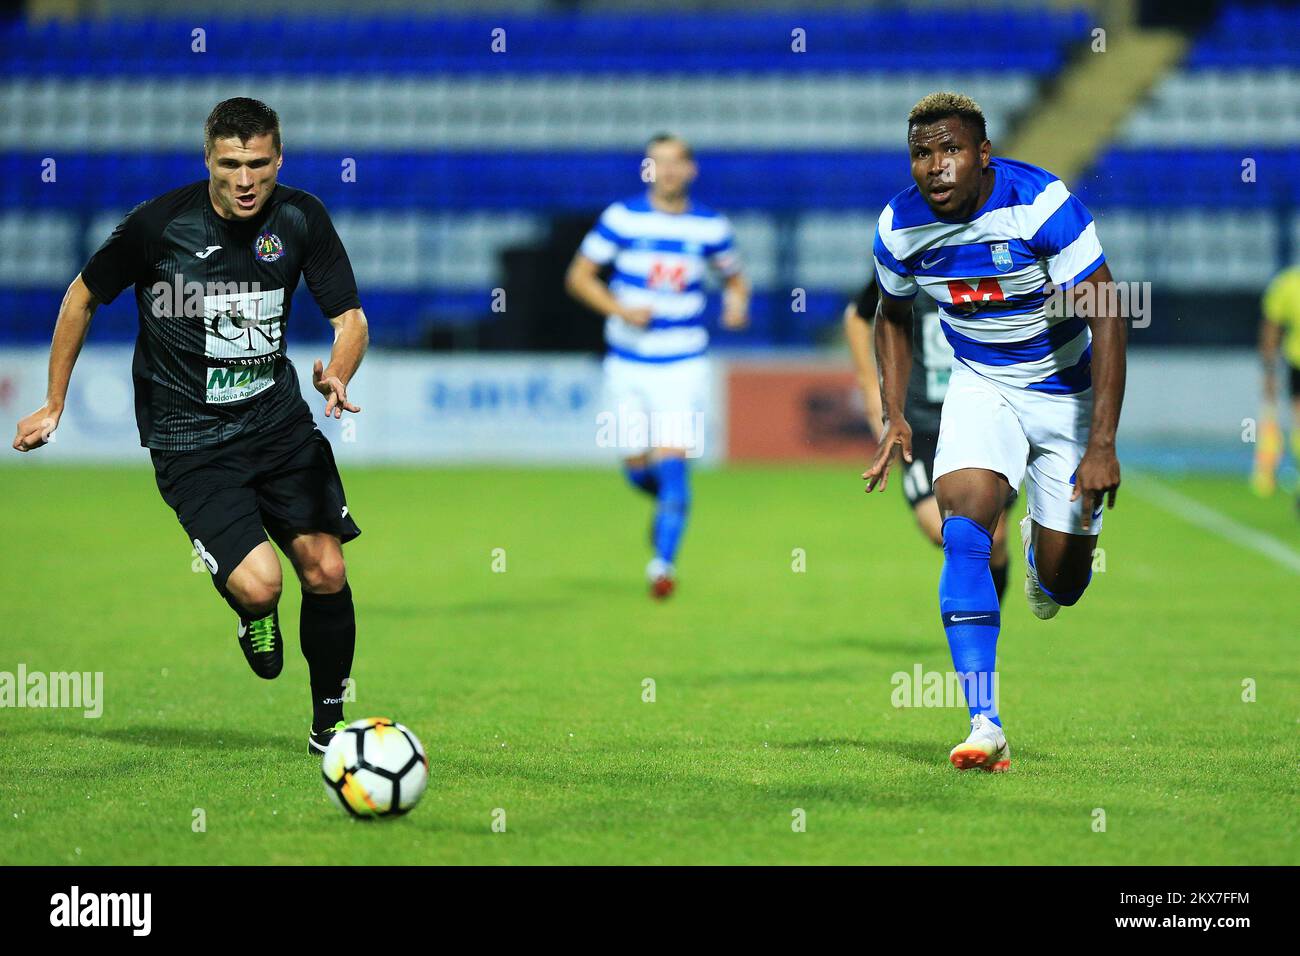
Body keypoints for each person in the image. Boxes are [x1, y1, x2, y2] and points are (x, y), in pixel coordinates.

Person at [12, 97, 369, 756]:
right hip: (192, 442)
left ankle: (331, 729)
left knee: (325, 568)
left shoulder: (300, 218)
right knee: (263, 584)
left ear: (278, 159)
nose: (245, 180)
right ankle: (253, 616)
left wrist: (339, 374)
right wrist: (54, 401)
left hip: (281, 425)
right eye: (230, 164)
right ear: (208, 159)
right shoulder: (159, 227)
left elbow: (350, 319)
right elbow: (82, 296)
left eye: (258, 164)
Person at [863, 92, 1125, 773]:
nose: (936, 167)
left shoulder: (1039, 203)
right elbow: (889, 314)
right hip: (979, 384)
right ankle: (985, 721)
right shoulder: (899, 225)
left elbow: (1108, 313)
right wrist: (894, 414)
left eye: (951, 150)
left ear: (984, 155)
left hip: (1066, 390)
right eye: (922, 154)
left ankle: (1048, 566)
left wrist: (1101, 445)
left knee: (1064, 584)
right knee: (963, 523)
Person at [566, 133, 749, 598]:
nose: (667, 171)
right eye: (657, 163)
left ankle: (662, 565)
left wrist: (736, 304)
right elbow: (579, 277)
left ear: (691, 170)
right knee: (634, 467)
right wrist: (620, 310)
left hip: (683, 362)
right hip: (627, 363)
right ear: (648, 170)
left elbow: (734, 277)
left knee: (672, 463)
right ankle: (671, 506)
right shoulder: (622, 218)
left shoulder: (710, 226)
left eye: (675, 163)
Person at [844, 277, 1013, 599]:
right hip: (922, 425)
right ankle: (975, 632)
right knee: (945, 531)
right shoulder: (910, 255)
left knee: (994, 538)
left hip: (979, 417)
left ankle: (984, 637)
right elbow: (857, 316)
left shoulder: (991, 255)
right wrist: (869, 387)